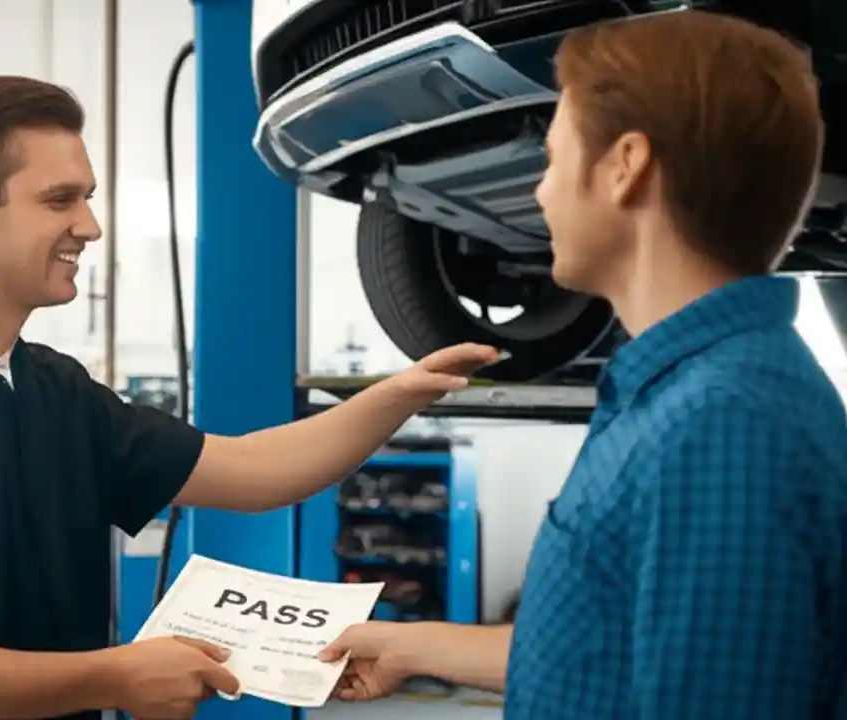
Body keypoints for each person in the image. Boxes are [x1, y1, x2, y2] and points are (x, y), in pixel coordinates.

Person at [0, 74, 502, 720]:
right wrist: (112, 677)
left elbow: (257, 471)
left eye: (88, 199)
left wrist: (401, 393)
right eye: (59, 200)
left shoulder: (56, 391)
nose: (89, 227)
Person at [318, 10, 847, 719]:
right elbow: (618, 645)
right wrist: (412, 647)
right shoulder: (681, 394)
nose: (539, 193)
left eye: (555, 156)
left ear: (626, 167)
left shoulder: (723, 426)